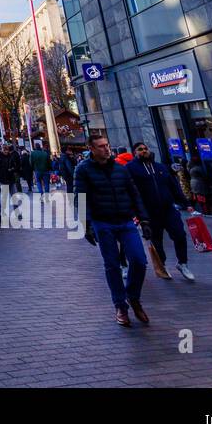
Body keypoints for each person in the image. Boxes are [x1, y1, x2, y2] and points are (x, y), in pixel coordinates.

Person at [73, 133, 151, 327]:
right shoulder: (83, 170)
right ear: (91, 149)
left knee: (139, 261)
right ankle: (120, 306)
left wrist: (145, 219)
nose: (106, 149)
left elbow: (134, 193)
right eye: (100, 146)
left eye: (107, 145)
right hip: (103, 222)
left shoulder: (120, 168)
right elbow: (80, 198)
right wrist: (87, 225)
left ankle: (133, 297)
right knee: (112, 265)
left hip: (125, 221)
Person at [127, 142, 194, 281]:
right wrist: (136, 212)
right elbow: (130, 192)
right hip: (149, 212)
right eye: (140, 149)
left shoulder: (160, 167)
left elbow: (174, 186)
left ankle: (182, 263)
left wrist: (186, 203)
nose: (144, 151)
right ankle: (161, 265)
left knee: (180, 234)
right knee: (157, 240)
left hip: (168, 208)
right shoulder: (131, 169)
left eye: (146, 148)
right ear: (134, 153)